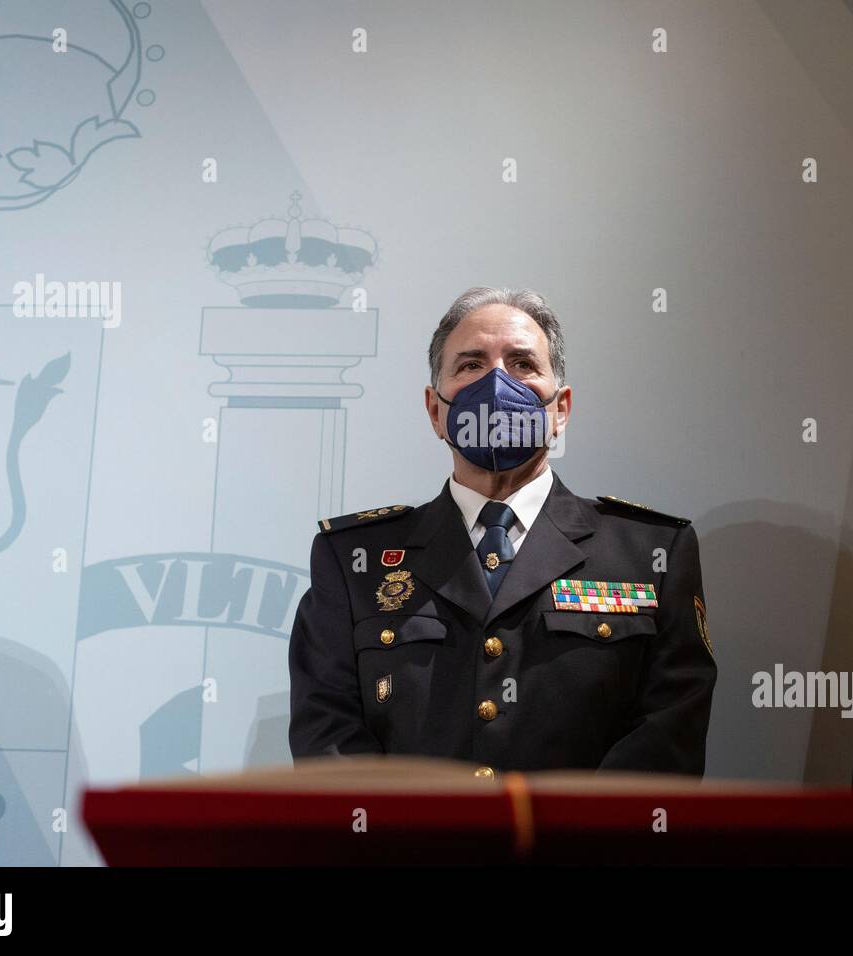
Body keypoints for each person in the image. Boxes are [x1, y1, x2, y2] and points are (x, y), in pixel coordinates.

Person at [287, 287, 716, 777]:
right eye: (471, 365)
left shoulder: (651, 554)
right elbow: (327, 734)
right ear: (435, 410)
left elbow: (668, 739)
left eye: (522, 364)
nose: (496, 384)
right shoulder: (353, 561)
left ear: (561, 409)